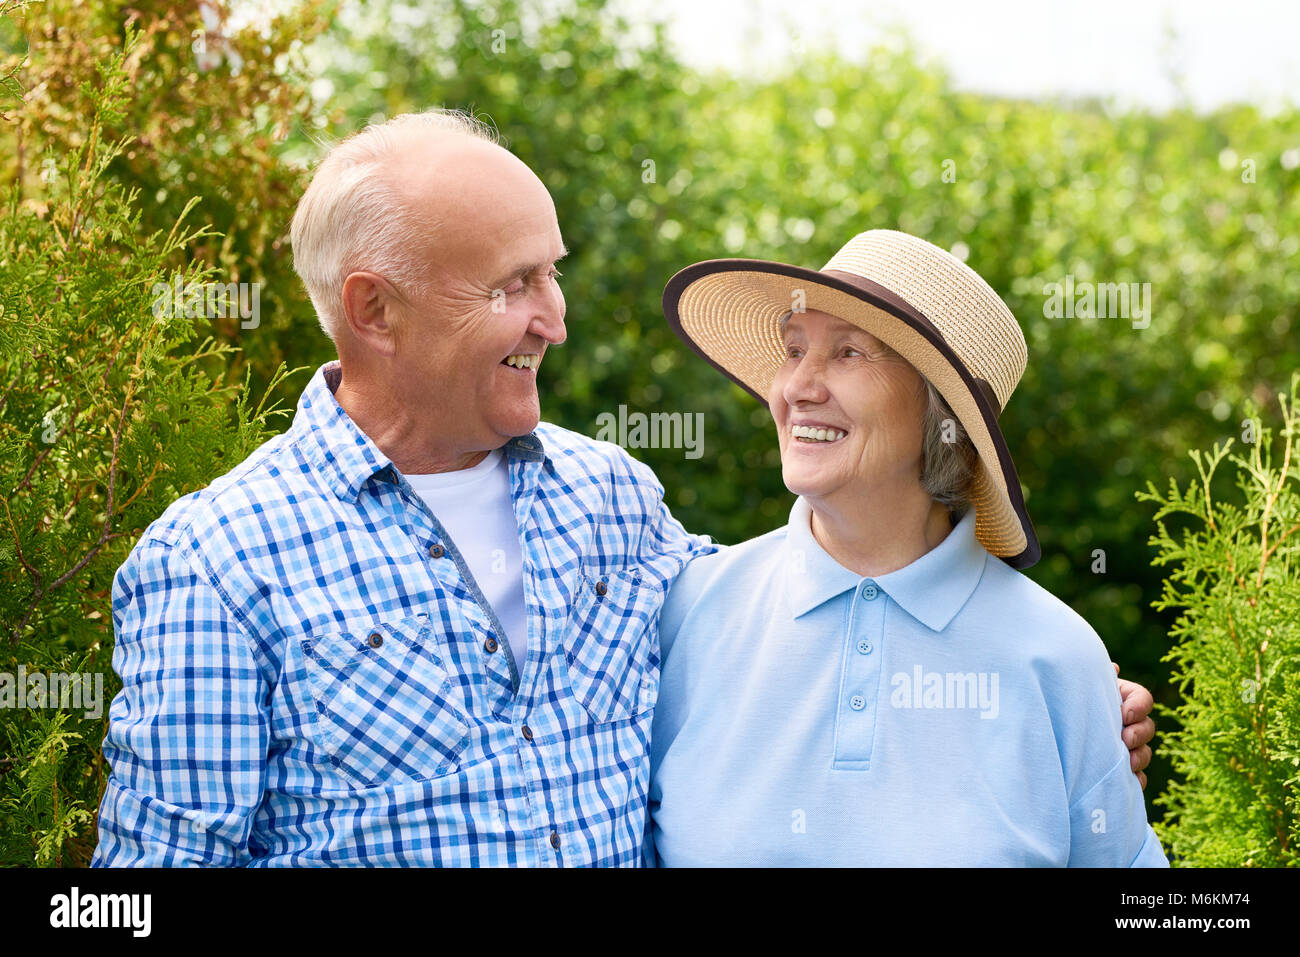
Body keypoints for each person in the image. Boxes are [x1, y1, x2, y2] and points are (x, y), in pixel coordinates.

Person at [91, 110, 1155, 867]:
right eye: (512, 284)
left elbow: (823, 602)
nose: (555, 318)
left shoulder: (612, 504)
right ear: (374, 312)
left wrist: (1061, 709)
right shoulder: (217, 564)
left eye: (552, 272)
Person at [649, 229, 1167, 866]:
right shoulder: (685, 611)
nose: (796, 387)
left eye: (848, 353)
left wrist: (1085, 699)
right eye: (792, 350)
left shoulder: (1060, 660)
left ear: (940, 414)